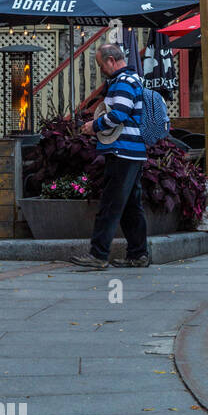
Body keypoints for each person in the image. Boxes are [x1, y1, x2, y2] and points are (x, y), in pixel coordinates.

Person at [70, 43, 149, 270]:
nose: (101, 70)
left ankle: (99, 255)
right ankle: (138, 254)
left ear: (112, 61)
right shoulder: (134, 80)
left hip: (122, 150)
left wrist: (93, 126)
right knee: (131, 205)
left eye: (101, 64)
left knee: (110, 204)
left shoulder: (123, 83)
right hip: (134, 152)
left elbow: (119, 114)